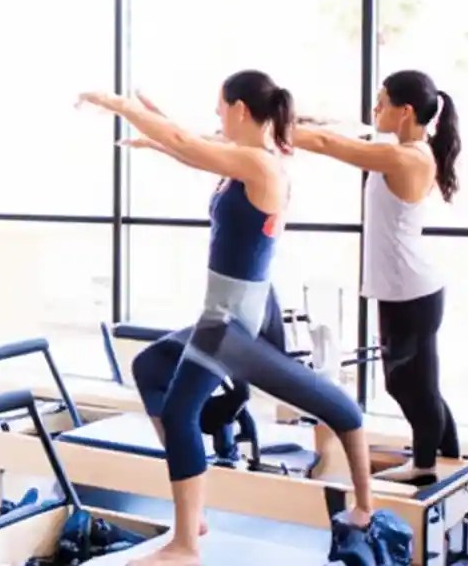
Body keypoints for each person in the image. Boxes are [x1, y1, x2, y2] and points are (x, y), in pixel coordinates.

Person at [78, 72, 375, 566]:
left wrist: (120, 106)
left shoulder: (260, 165)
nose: (217, 117)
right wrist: (161, 131)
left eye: (220, 108)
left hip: (232, 318)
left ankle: (186, 544)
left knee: (181, 411)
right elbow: (190, 144)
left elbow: (186, 143)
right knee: (151, 367)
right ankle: (190, 504)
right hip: (233, 306)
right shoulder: (252, 156)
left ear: (240, 109)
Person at [293, 69, 461, 483]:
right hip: (411, 287)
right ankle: (448, 459)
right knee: (423, 385)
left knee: (407, 386)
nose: (374, 109)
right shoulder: (403, 146)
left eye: (381, 101)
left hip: (409, 291)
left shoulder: (404, 157)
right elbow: (337, 128)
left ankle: (424, 466)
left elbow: (330, 144)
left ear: (405, 112)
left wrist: (272, 131)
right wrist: (295, 117)